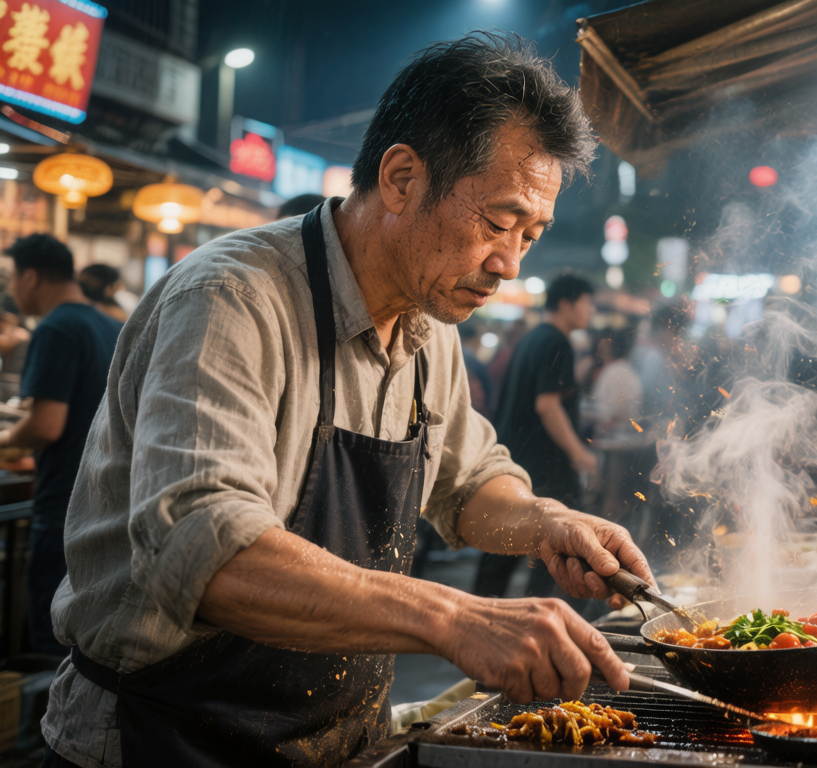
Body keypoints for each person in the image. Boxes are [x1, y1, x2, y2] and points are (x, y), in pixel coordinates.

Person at [41, 33, 654, 768]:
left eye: (531, 234)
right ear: (400, 177)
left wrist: (547, 522)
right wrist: (453, 616)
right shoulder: (234, 299)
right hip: (165, 736)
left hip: (338, 741)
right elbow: (202, 549)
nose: (509, 263)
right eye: (496, 223)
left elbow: (465, 483)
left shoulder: (430, 322)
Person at [0, 235, 121, 656]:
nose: (13, 289)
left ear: (31, 276)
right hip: (106, 510)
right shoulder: (110, 323)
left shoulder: (54, 326)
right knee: (85, 646)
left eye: (13, 278)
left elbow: (46, 426)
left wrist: (6, 441)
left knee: (51, 647)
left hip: (63, 511)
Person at [474, 273, 599, 600]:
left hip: (513, 461)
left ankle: (487, 621)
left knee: (500, 548)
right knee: (551, 550)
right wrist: (578, 452)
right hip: (543, 468)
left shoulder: (532, 338)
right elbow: (548, 405)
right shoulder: (557, 341)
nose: (591, 311)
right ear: (566, 303)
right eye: (587, 303)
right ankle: (535, 621)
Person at [457, 321, 493, 419]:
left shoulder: (451, 355)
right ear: (475, 339)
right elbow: (486, 388)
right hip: (471, 411)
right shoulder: (470, 357)